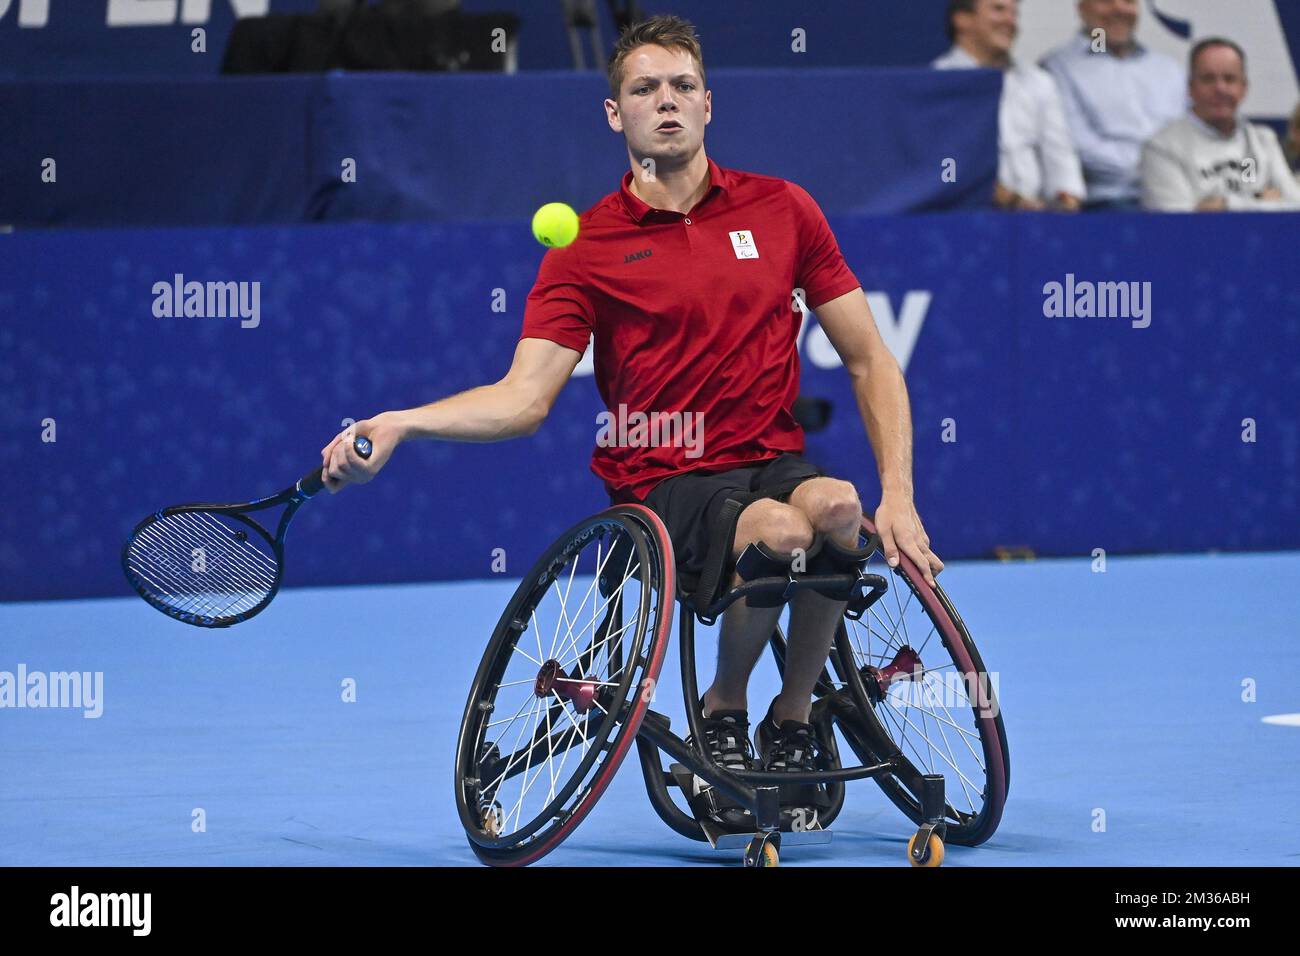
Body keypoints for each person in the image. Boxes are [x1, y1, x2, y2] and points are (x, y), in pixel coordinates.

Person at [316, 15, 942, 826]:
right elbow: (523, 398)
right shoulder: (584, 248)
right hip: (664, 479)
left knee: (838, 509)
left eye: (683, 86)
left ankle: (791, 723)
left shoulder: (783, 209)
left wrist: (901, 494)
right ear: (616, 115)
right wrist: (402, 421)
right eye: (644, 89)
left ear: (709, 104)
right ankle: (724, 710)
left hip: (771, 455)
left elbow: (869, 359)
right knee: (783, 535)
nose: (667, 102)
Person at [933, 0, 1084, 211]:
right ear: (962, 19)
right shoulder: (937, 83)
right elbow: (946, 170)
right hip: (966, 216)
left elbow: (1060, 156)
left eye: (1015, 13)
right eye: (998, 10)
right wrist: (1008, 199)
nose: (1010, 21)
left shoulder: (1039, 82)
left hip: (1037, 220)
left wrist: (1067, 202)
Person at [1041, 0, 1184, 209]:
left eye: (1128, 1)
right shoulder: (1059, 68)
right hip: (1112, 204)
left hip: (1181, 198)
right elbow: (1080, 146)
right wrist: (1157, 170)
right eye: (1106, 1)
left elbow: (1190, 138)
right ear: (1082, 8)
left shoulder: (1168, 69)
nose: (1119, 9)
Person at [1141, 38, 1300, 211]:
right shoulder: (1161, 147)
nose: (1220, 88)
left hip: (1263, 238)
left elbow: (1295, 206)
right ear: (1190, 88)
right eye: (1208, 79)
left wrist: (1226, 204)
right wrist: (1263, 199)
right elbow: (1178, 225)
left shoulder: (1263, 139)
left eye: (1229, 79)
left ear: (1244, 88)